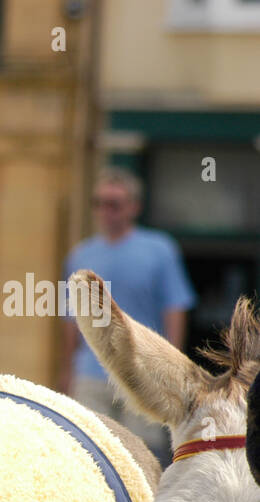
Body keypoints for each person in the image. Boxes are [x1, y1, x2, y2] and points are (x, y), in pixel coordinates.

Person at [60, 167, 195, 466]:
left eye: (114, 204)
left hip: (143, 371)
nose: (105, 211)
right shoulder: (81, 254)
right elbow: (71, 319)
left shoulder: (159, 250)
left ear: (134, 207)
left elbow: (174, 308)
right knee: (89, 453)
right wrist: (68, 370)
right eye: (99, 203)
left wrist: (172, 366)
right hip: (91, 372)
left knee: (142, 457)